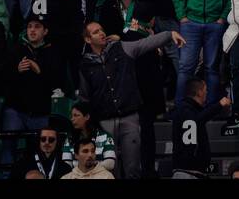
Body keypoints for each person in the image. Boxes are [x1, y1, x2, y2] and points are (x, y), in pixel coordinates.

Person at [77, 20, 185, 179]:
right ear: (87, 39)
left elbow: (145, 43)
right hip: (104, 121)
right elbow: (84, 96)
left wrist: (169, 34)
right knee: (107, 169)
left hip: (129, 117)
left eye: (101, 29)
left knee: (133, 167)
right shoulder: (85, 64)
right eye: (95, 32)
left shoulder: (121, 47)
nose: (101, 33)